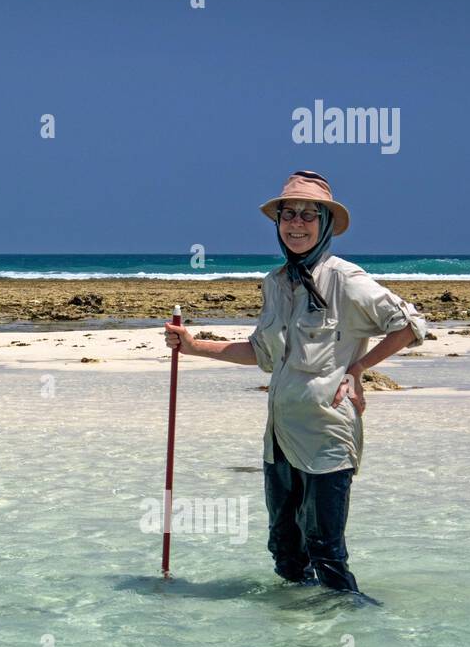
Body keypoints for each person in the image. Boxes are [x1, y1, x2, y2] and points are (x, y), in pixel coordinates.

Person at [164, 171, 426, 592]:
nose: (296, 223)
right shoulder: (275, 282)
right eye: (289, 214)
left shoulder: (345, 279)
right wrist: (194, 347)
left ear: (324, 225)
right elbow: (262, 353)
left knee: (326, 549)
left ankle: (349, 628)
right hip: (280, 440)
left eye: (309, 215)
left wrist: (358, 369)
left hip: (326, 437)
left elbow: (411, 324)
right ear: (278, 223)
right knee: (285, 550)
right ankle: (296, 641)